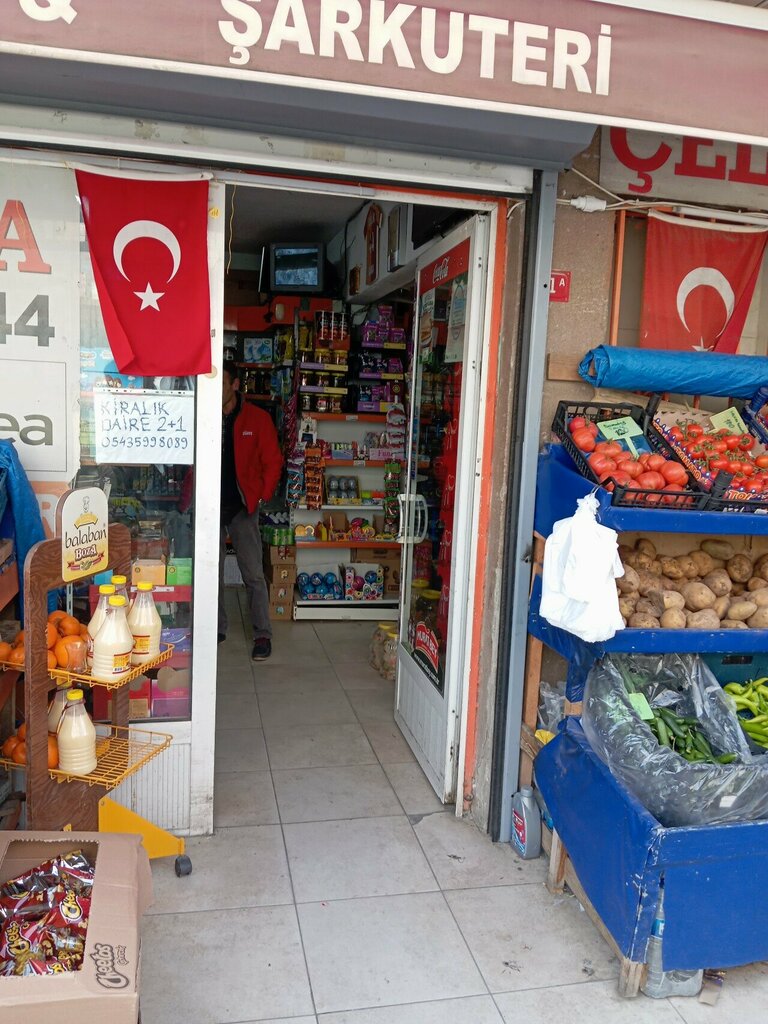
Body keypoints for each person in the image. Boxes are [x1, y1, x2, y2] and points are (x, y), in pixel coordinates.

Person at [219, 360, 283, 660]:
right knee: (210, 572)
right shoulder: (205, 416)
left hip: (244, 507)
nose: (217, 389)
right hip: (210, 506)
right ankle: (215, 627)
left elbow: (273, 461)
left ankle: (262, 634)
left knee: (254, 574)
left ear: (235, 385)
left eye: (222, 383)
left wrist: (261, 496)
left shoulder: (257, 419)